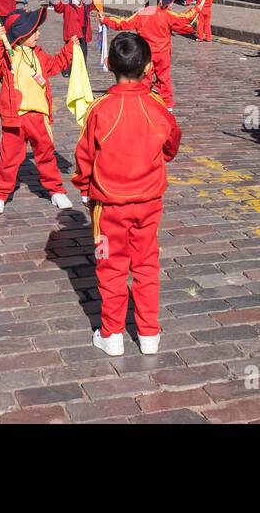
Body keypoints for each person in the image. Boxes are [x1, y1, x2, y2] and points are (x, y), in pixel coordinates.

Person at [72, 32, 181, 356]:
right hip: (148, 204)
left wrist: (83, 188)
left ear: (108, 64)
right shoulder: (156, 106)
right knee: (147, 267)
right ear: (148, 68)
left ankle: (113, 333)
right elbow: (172, 144)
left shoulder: (100, 108)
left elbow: (84, 157)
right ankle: (149, 334)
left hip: (108, 207)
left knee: (110, 268)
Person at [0, 9, 77, 215]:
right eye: (34, 32)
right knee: (9, 158)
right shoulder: (7, 56)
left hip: (38, 116)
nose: (38, 35)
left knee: (46, 155)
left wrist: (69, 49)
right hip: (14, 118)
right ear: (22, 34)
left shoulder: (38, 54)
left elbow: (53, 65)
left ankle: (55, 190)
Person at [98, 0, 195, 109]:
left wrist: (106, 20)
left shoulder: (141, 14)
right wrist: (196, 9)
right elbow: (185, 18)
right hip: (163, 53)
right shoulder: (166, 13)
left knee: (145, 77)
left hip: (147, 53)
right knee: (164, 78)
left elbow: (123, 23)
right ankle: (167, 102)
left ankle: (142, 98)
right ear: (160, 1)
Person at [53, 0, 93, 76]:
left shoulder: (83, 2)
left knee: (83, 50)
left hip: (83, 30)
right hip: (72, 31)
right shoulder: (67, 2)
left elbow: (91, 7)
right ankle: (66, 70)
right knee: (70, 51)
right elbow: (58, 8)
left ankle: (82, 70)